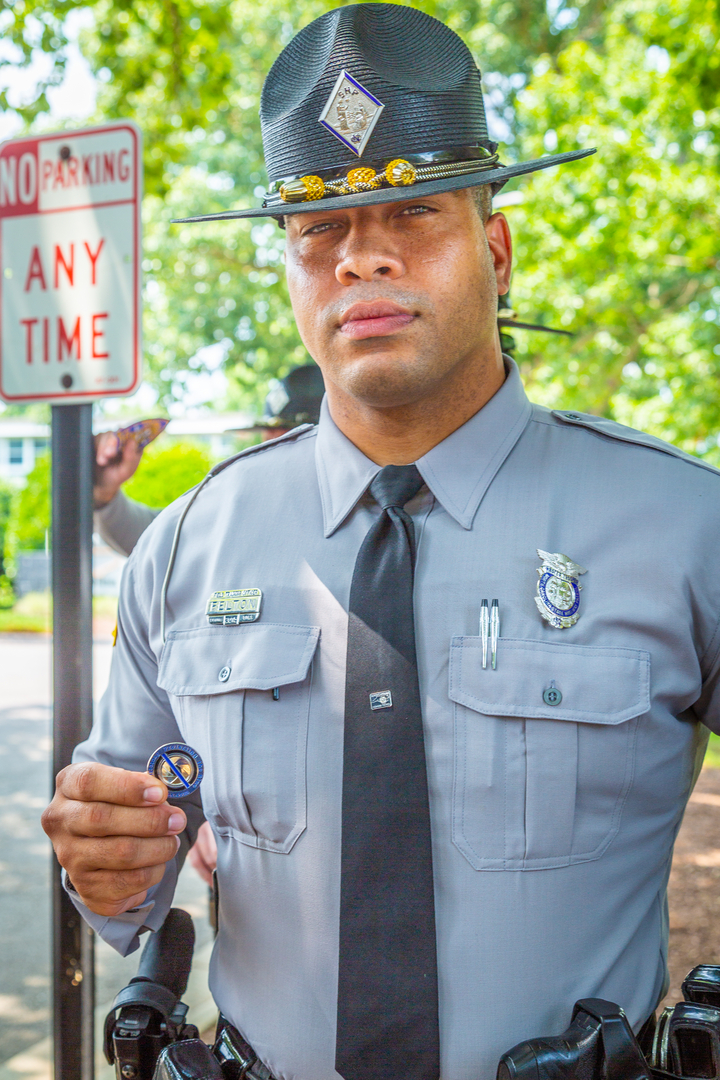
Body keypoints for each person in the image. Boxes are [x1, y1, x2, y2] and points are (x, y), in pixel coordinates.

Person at [41, 6, 720, 1080]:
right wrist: (106, 865)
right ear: (290, 269)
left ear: (493, 247)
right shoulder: (186, 550)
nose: (361, 257)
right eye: (318, 227)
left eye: (412, 210)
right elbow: (119, 876)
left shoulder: (688, 529)